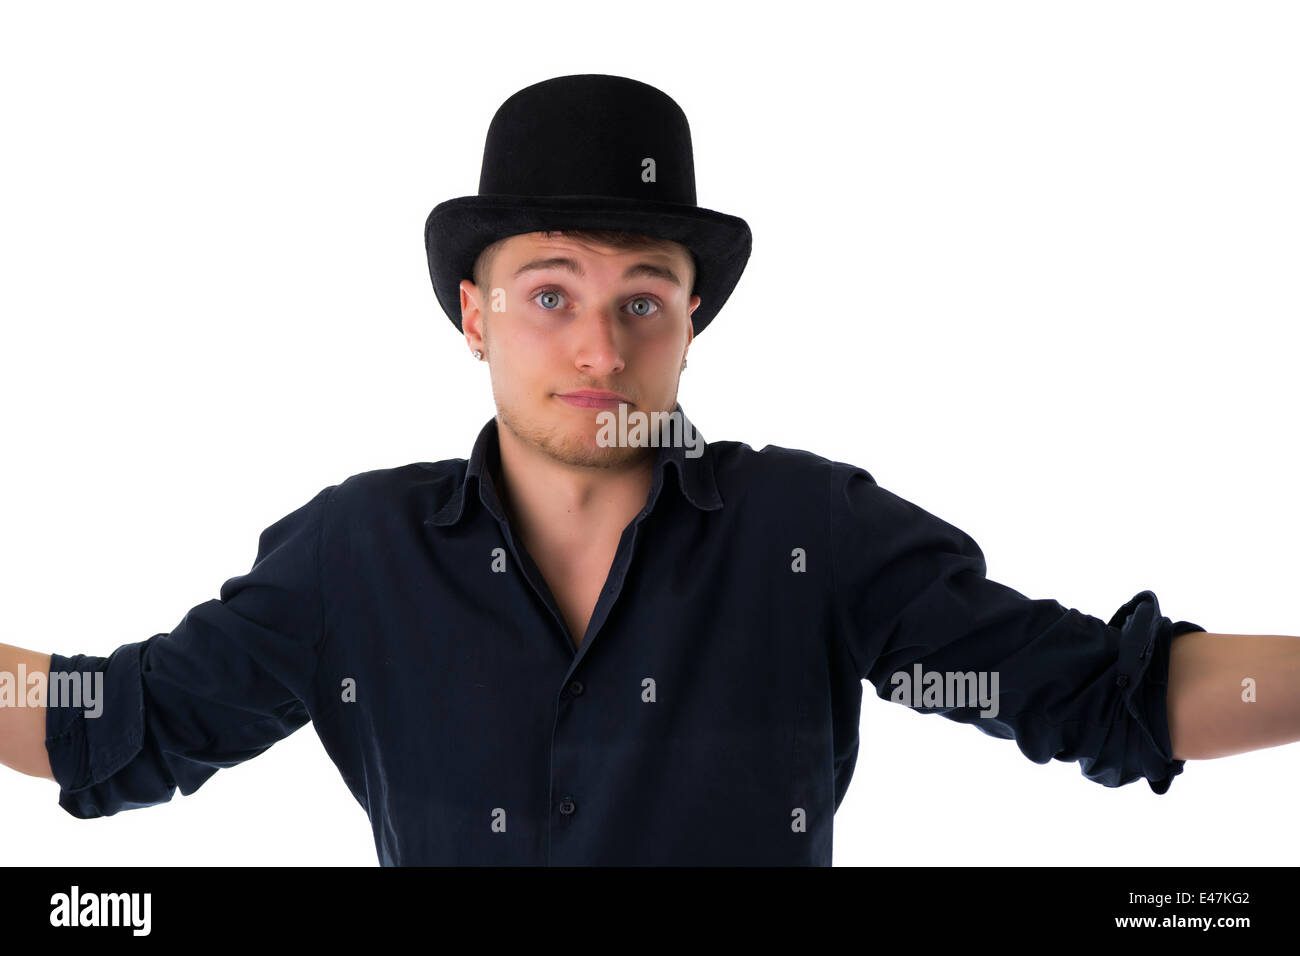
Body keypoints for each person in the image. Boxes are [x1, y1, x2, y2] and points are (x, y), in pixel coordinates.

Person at [2, 74, 1297, 866]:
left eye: (642, 300)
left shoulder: (809, 530)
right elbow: (115, 725)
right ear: (473, 315)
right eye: (549, 292)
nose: (596, 345)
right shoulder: (360, 558)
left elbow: (1099, 694)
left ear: (690, 323)